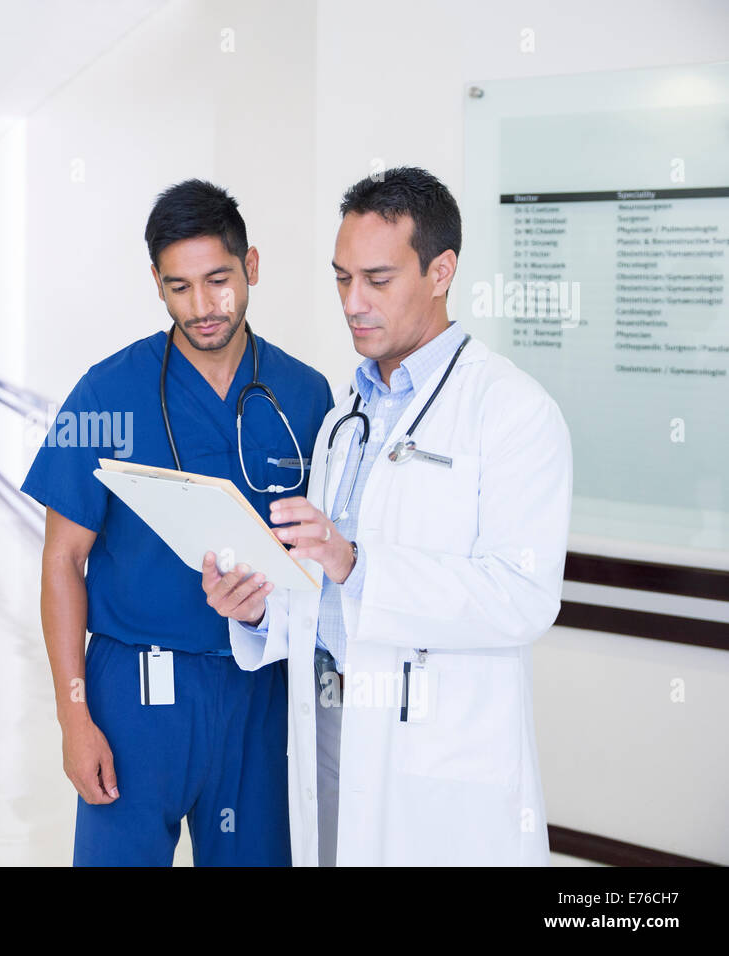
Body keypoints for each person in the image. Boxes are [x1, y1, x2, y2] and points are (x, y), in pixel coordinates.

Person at [202, 167, 573, 866]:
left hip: (435, 748)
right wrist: (256, 610)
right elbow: (326, 592)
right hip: (329, 721)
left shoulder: (512, 411)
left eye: (377, 279)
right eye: (341, 278)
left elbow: (522, 598)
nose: (353, 302)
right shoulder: (347, 415)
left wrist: (357, 562)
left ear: (441, 271)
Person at [21, 180, 333, 866]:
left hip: (260, 693)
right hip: (136, 691)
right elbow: (62, 560)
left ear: (251, 266)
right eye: (179, 287)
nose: (202, 306)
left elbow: (323, 556)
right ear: (157, 285)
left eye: (218, 280)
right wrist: (74, 716)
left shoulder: (307, 396)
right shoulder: (106, 393)